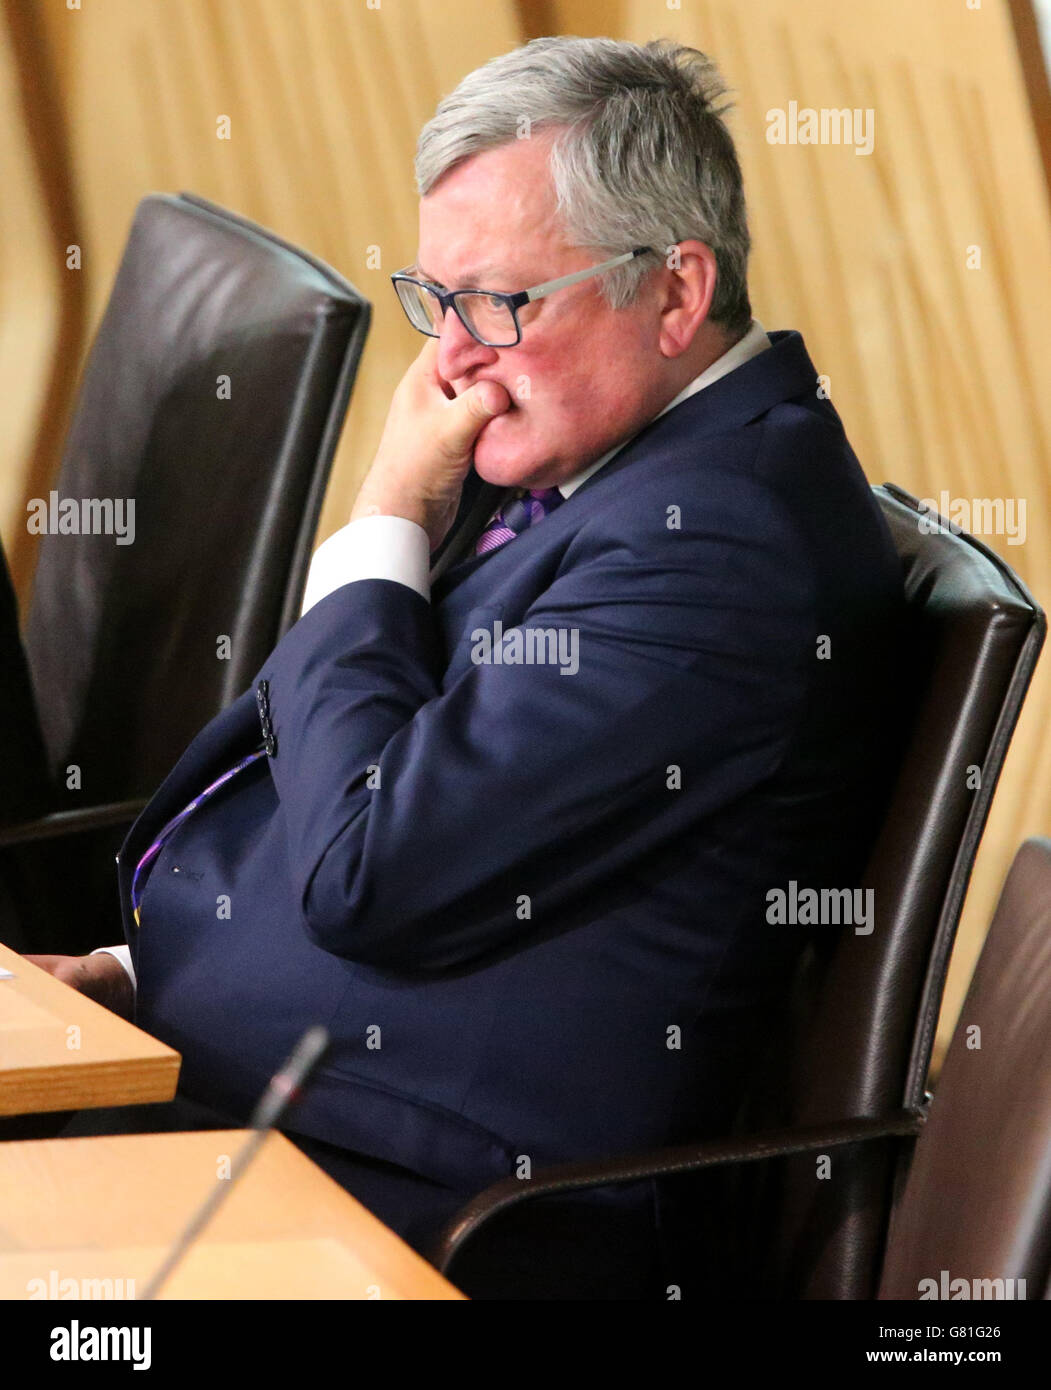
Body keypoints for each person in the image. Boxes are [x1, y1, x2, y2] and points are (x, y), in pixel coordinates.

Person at [26, 36, 904, 1296]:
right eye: (433, 301)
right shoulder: (614, 458)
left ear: (674, 292)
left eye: (498, 304)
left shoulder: (719, 546)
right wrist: (136, 973)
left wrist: (385, 511)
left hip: (427, 1208)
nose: (448, 357)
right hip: (261, 1099)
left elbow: (375, 868)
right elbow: (383, 792)